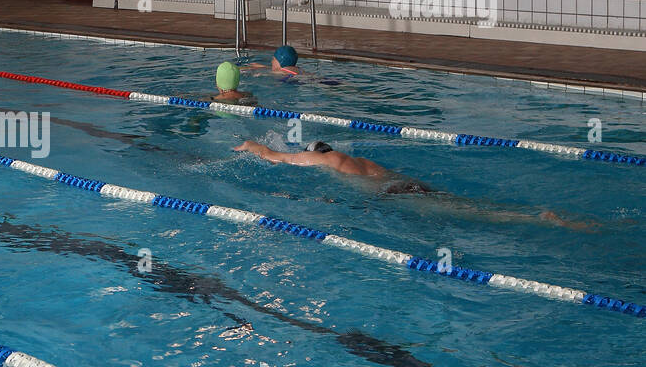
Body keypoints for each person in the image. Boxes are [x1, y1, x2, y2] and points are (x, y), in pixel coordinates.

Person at [232, 139, 591, 227]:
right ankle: (526, 215)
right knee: (464, 205)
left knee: (473, 216)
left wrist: (253, 146)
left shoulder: (324, 160)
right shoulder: (361, 160)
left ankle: (536, 218)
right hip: (407, 183)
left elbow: (276, 157)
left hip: (394, 195)